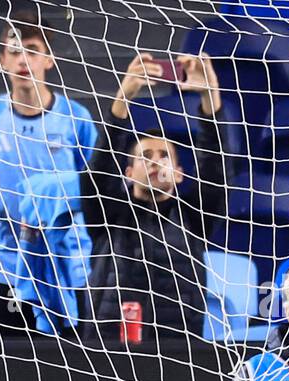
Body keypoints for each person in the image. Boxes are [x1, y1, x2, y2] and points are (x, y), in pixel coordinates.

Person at [0, 7, 97, 335]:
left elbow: (96, 183)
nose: (22, 60)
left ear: (49, 60)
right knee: (0, 373)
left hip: (65, 263)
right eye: (14, 51)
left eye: (32, 50)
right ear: (3, 60)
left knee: (72, 374)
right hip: (7, 262)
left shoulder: (77, 118)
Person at [86, 52, 229, 341]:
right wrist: (123, 98)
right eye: (145, 156)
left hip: (178, 352)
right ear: (128, 172)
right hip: (107, 350)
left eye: (164, 156)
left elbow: (216, 166)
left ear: (178, 173)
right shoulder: (108, 215)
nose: (155, 162)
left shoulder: (193, 218)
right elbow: (99, 169)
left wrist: (210, 95)